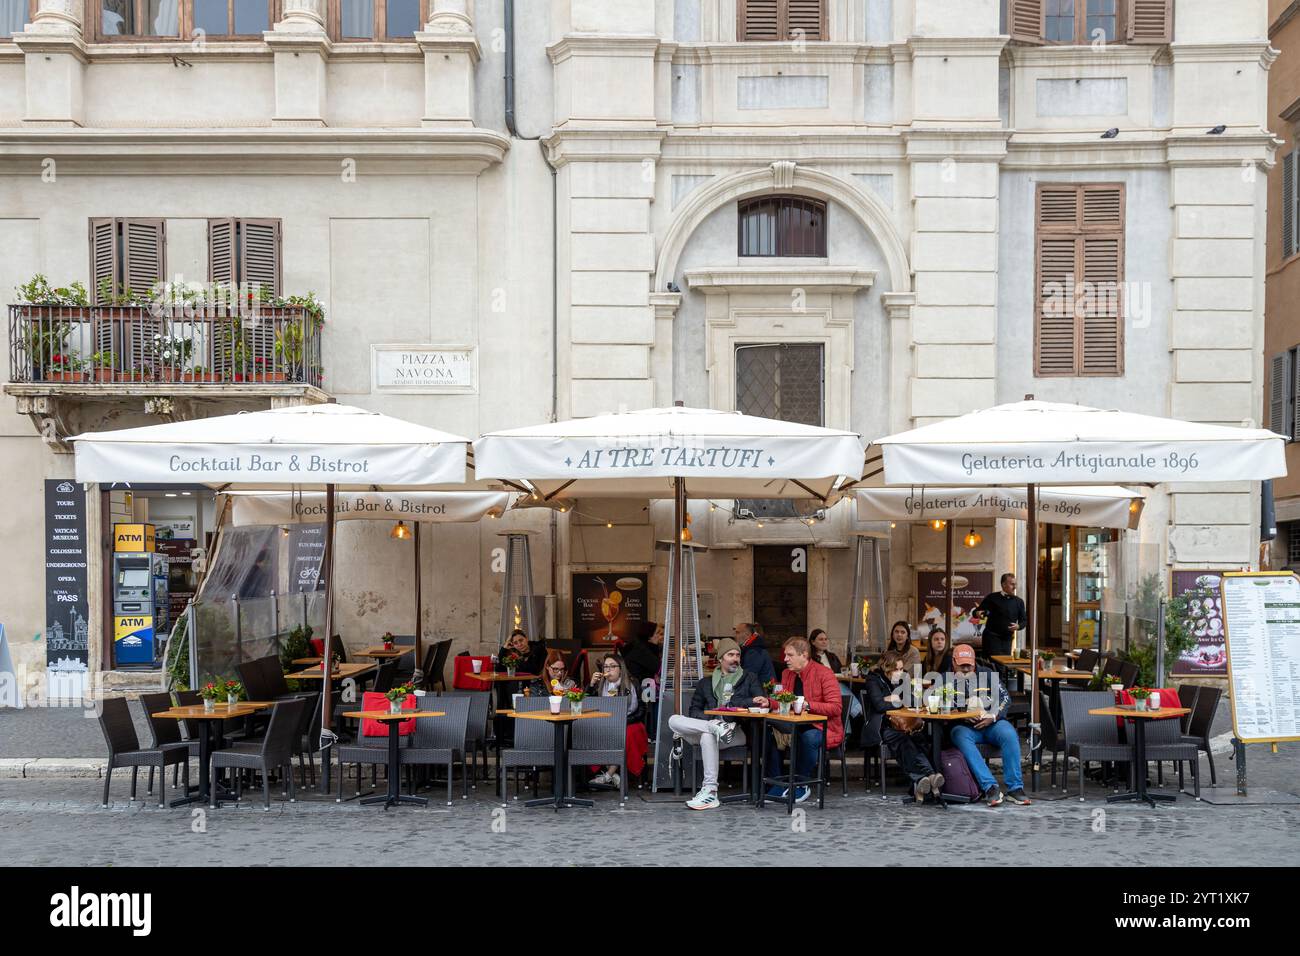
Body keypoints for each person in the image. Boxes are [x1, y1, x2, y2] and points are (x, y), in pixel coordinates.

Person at [668, 638, 762, 810]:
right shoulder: (705, 683)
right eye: (730, 654)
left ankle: (710, 792)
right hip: (709, 725)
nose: (735, 658)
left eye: (738, 655)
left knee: (706, 736)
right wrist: (711, 721)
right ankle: (715, 727)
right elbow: (694, 710)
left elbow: (758, 702)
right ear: (720, 659)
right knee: (673, 720)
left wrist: (736, 703)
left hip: (735, 731)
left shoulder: (749, 678)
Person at [758, 637, 843, 803]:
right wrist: (769, 702)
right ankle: (779, 784)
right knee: (768, 732)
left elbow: (836, 708)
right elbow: (784, 700)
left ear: (804, 655)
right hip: (793, 726)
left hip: (822, 728)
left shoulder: (824, 673)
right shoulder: (786, 674)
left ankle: (801, 783)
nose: (785, 659)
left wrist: (808, 705)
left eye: (790, 655)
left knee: (808, 737)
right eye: (785, 655)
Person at [948, 643, 1030, 806]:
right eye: (961, 665)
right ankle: (990, 787)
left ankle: (1015, 788)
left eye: (968, 665)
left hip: (993, 723)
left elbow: (1005, 697)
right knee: (958, 735)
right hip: (966, 727)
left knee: (1009, 734)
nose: (965, 669)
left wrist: (993, 715)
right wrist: (962, 716)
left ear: (974, 662)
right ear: (953, 662)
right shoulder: (946, 679)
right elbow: (942, 705)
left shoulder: (987, 674)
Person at [862, 649, 944, 801]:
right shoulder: (873, 679)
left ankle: (923, 780)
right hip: (882, 727)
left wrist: (892, 699)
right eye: (896, 669)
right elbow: (879, 706)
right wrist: (898, 702)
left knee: (920, 738)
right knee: (903, 739)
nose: (900, 672)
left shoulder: (902, 679)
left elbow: (915, 700)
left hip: (903, 725)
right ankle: (928, 776)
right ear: (887, 668)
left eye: (901, 669)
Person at [587, 653, 648, 788]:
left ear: (621, 668)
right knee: (590, 732)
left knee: (627, 733)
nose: (608, 670)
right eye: (606, 667)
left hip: (629, 722)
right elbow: (586, 703)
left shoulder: (632, 683)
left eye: (612, 666)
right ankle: (612, 775)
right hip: (604, 722)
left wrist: (623, 721)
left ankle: (608, 774)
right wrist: (591, 685)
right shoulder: (600, 685)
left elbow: (641, 710)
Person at [973, 573, 1027, 658]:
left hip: (1007, 639)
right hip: (991, 638)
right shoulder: (992, 597)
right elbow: (976, 612)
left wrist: (1018, 626)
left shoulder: (1019, 602)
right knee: (992, 666)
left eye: (1015, 584)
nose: (1015, 586)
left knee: (1003, 666)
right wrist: (978, 613)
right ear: (1003, 584)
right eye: (1012, 584)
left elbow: (1024, 621)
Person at [733, 622, 776, 687]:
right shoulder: (750, 648)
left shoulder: (754, 651)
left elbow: (748, 675)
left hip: (765, 690)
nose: (735, 636)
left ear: (747, 634)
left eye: (737, 632)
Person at [623, 620, 663, 687]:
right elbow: (659, 668)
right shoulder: (640, 649)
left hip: (643, 685)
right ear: (649, 637)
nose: (661, 637)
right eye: (658, 633)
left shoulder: (641, 645)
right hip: (639, 689)